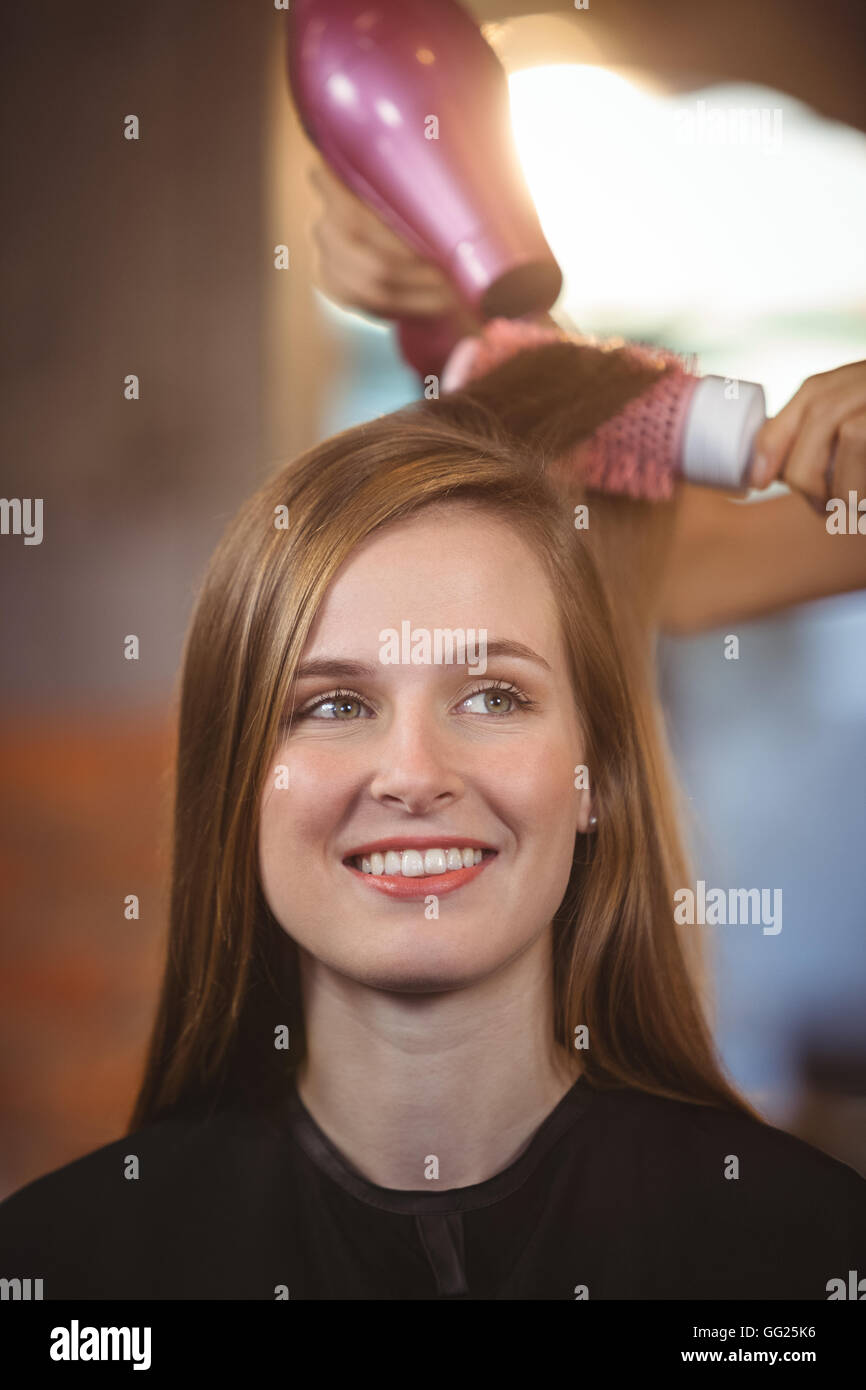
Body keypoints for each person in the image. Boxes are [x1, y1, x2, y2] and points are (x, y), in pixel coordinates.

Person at [0, 332, 863, 1299]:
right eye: (333, 705)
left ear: (595, 777)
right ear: (237, 784)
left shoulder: (808, 1263)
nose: (414, 775)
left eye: (494, 697)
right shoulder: (57, 1274)